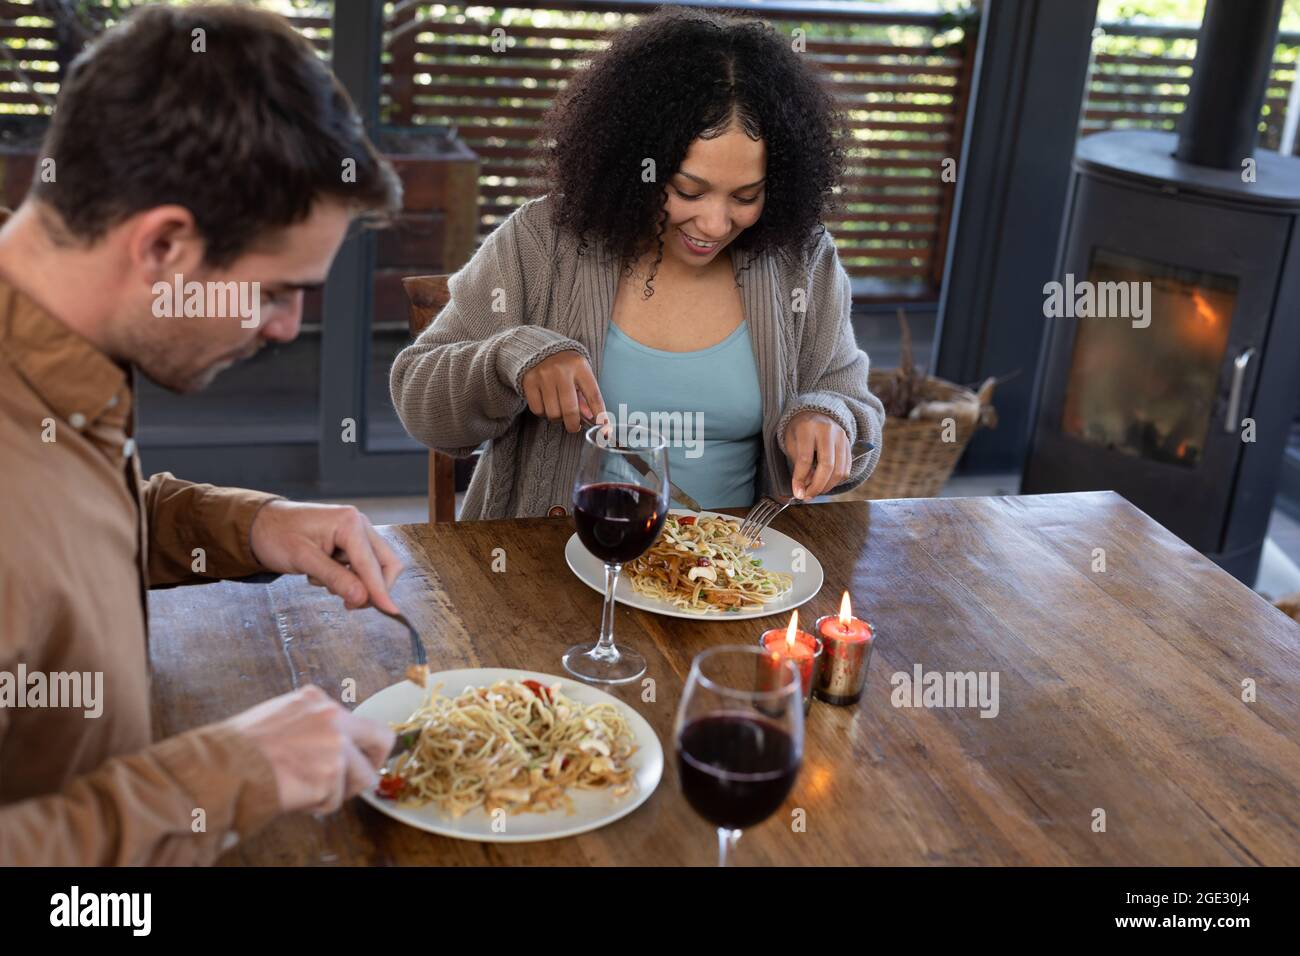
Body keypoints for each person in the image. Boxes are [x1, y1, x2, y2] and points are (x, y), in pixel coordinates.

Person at [0, 4, 407, 865]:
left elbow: (64, 545)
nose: (286, 328)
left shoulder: (53, 366)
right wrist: (229, 774)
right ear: (166, 245)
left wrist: (248, 525)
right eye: (274, 291)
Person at [390, 7, 885, 519]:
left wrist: (831, 418)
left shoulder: (801, 262)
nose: (715, 224)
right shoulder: (543, 241)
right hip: (546, 570)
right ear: (634, 166)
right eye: (688, 190)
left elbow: (852, 407)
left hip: (730, 579)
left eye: (745, 196)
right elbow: (420, 402)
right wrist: (508, 359)